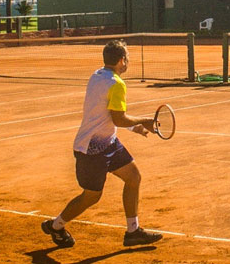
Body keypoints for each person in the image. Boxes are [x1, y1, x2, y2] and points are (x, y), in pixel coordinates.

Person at [42, 40, 163, 249]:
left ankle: (133, 231)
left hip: (108, 143)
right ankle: (56, 225)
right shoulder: (117, 84)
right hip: (91, 149)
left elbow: (107, 115)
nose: (128, 63)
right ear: (121, 61)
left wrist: (136, 128)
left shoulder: (97, 75)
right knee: (91, 197)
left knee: (133, 177)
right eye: (127, 58)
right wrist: (144, 121)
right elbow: (118, 119)